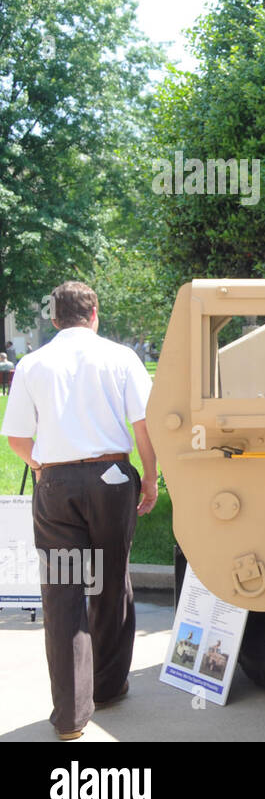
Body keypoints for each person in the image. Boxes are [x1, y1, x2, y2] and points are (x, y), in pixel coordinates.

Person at [0, 281, 158, 740]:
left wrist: (44, 467)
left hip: (58, 484)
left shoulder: (32, 363)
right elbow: (143, 425)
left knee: (64, 592)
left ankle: (70, 716)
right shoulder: (122, 357)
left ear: (53, 318)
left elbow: (17, 439)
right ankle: (108, 687)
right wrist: (150, 478)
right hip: (111, 479)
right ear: (95, 314)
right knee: (110, 583)